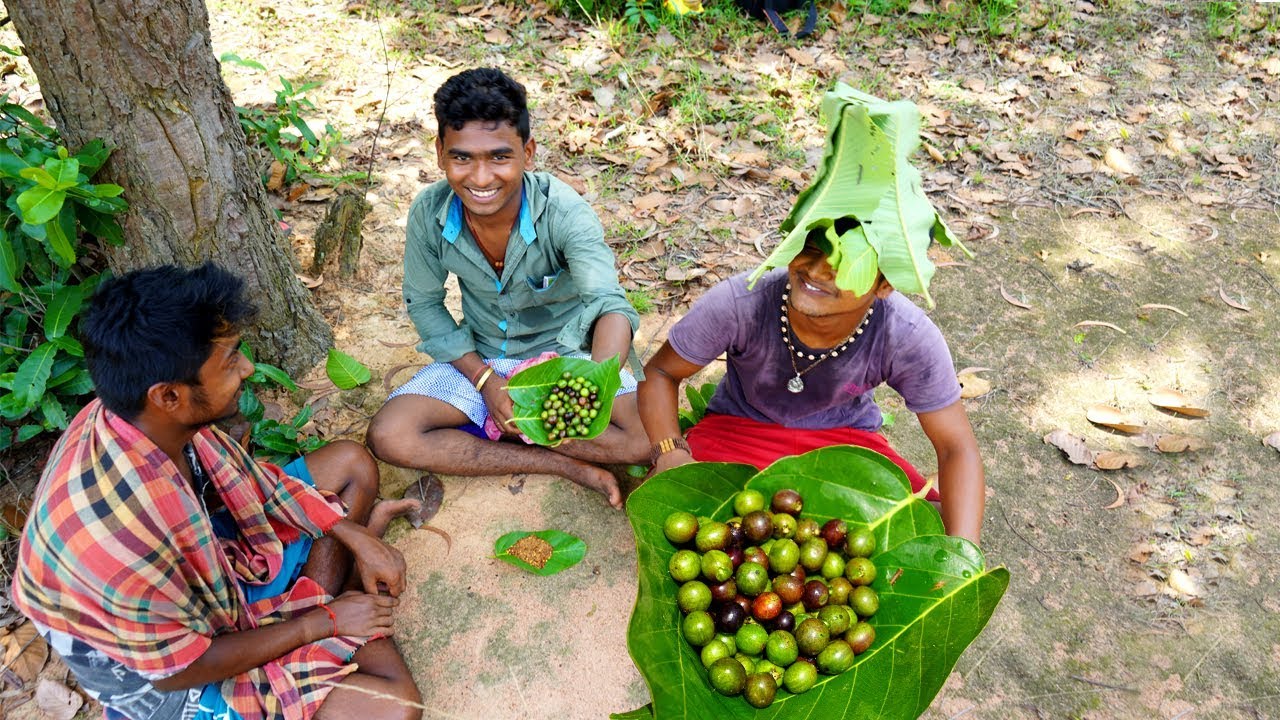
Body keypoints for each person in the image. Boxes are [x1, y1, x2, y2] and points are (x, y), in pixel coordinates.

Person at [10, 263, 423, 720]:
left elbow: (255, 482)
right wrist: (319, 624)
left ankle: (315, 607)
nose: (247, 368)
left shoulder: (148, 417)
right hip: (172, 675)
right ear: (169, 396)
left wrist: (353, 534)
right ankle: (318, 613)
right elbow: (180, 670)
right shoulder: (110, 543)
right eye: (230, 361)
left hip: (207, 563)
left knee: (350, 466)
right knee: (395, 708)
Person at [365, 67, 647, 510]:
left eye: (499, 157)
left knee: (644, 438)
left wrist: (587, 389)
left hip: (565, 359)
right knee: (389, 435)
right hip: (482, 360)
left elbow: (608, 305)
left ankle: (512, 429)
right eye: (462, 158)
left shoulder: (564, 212)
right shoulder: (429, 212)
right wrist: (485, 381)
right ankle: (560, 462)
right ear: (440, 153)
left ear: (527, 153)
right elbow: (424, 303)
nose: (480, 178)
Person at [637, 232, 985, 544]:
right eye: (812, 248)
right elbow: (661, 372)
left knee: (924, 524)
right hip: (738, 432)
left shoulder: (906, 334)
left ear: (884, 284)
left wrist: (963, 559)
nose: (816, 271)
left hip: (845, 445)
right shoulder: (741, 302)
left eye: (845, 264)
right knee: (685, 522)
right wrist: (669, 452)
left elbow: (956, 447)